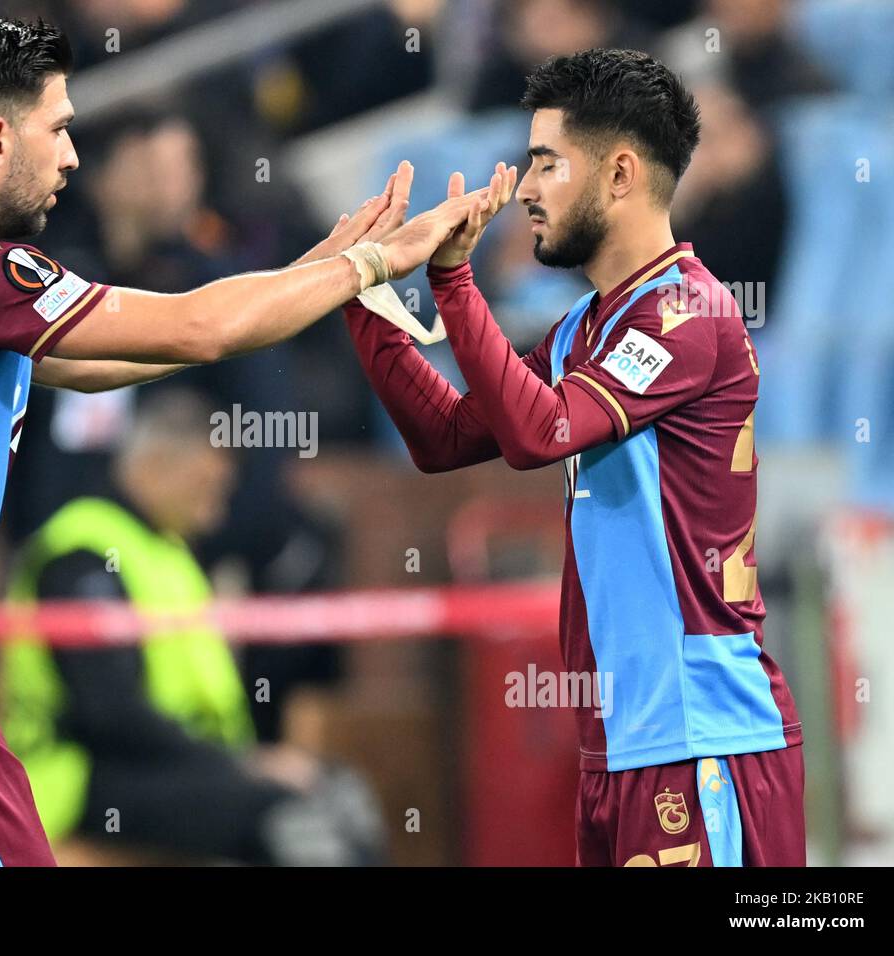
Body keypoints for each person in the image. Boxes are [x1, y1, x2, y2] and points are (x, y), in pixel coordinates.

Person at [0, 15, 483, 866]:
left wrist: (305, 271)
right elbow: (193, 329)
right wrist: (371, 267)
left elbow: (111, 357)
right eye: (58, 129)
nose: (72, 157)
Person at [340, 49, 804, 867]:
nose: (524, 189)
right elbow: (444, 440)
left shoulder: (689, 313)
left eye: (547, 162)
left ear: (620, 173)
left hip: (703, 739)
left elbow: (541, 435)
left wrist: (455, 280)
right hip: (622, 746)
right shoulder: (585, 330)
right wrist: (364, 297)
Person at [0, 389, 384, 865]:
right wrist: (242, 767)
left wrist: (242, 765)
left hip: (176, 767)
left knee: (343, 797)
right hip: (83, 778)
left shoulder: (168, 550)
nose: (216, 511)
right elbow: (111, 715)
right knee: (289, 820)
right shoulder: (82, 552)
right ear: (157, 464)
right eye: (206, 487)